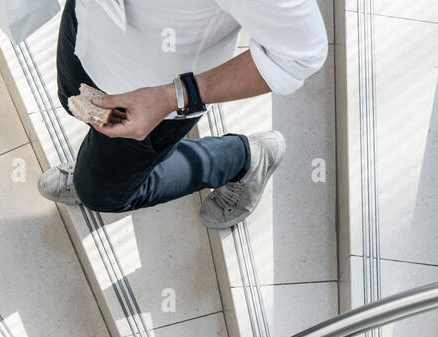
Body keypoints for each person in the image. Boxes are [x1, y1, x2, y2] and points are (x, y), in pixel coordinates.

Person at [38, 0, 327, 228]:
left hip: (153, 98)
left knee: (101, 193)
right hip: (84, 29)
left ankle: (245, 158)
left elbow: (299, 56)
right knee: (70, 100)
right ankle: (100, 164)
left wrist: (172, 96)